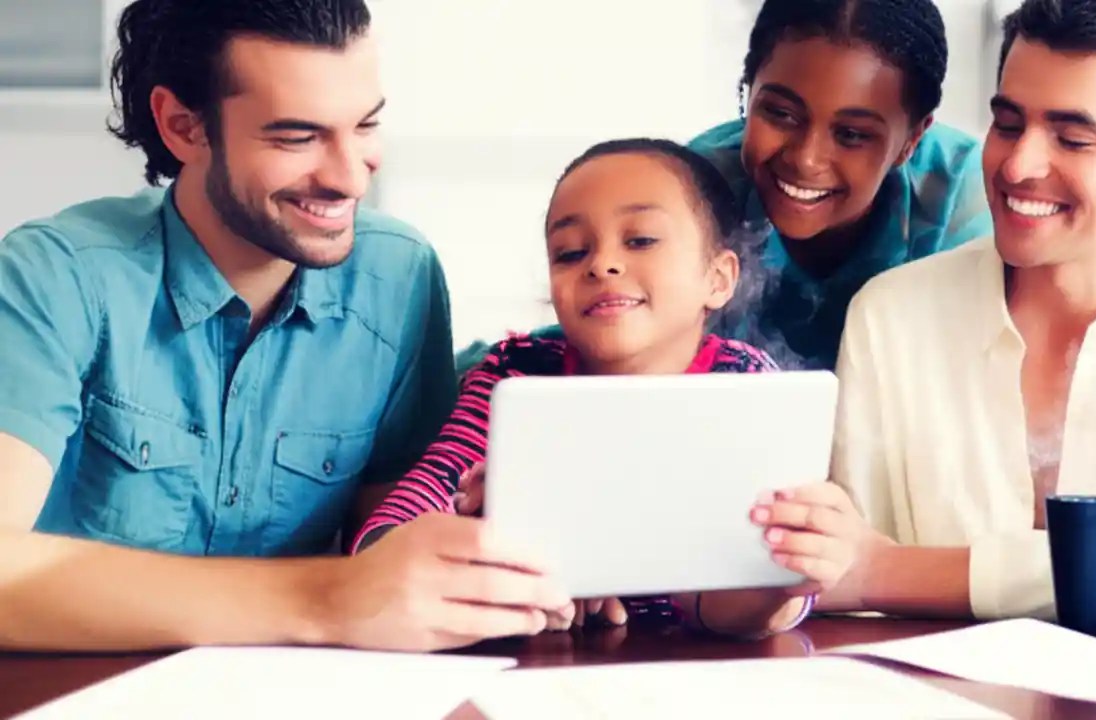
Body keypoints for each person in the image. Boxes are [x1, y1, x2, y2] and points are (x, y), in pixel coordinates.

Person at [0, 0, 568, 652]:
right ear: (183, 127)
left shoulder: (397, 274)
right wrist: (327, 599)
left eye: (366, 125)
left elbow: (393, 531)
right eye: (297, 138)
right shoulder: (53, 275)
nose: (350, 176)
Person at [791, 0, 1096, 635]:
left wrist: (888, 571)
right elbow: (839, 578)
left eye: (1073, 138)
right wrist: (861, 570)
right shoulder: (894, 318)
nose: (1019, 166)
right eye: (1008, 124)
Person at [357, 139, 863, 637]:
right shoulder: (515, 373)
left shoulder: (749, 387)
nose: (601, 264)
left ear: (718, 277)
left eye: (640, 240)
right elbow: (393, 532)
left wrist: (792, 568)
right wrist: (488, 533)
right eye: (570, 252)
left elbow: (751, 603)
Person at [454, 0, 992, 374]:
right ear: (747, 90)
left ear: (912, 140)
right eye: (779, 112)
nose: (806, 158)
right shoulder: (698, 186)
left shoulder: (963, 208)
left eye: (851, 134)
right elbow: (618, 329)